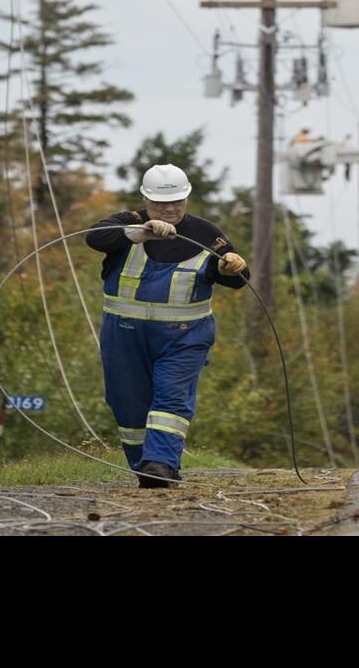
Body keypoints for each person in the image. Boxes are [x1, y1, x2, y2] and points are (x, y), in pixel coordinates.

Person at [85, 164, 250, 488]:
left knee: (171, 397)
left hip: (185, 336)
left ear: (187, 198)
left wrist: (232, 269)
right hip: (124, 336)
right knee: (126, 401)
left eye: (177, 202)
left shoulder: (205, 234)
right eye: (161, 204)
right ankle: (144, 466)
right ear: (146, 199)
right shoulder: (124, 224)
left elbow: (238, 281)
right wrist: (142, 231)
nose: (170, 209)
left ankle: (160, 464)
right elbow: (94, 237)